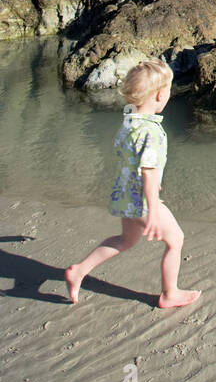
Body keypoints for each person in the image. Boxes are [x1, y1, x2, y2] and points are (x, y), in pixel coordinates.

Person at [64, 59, 201, 310]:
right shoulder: (151, 132)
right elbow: (149, 174)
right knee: (176, 240)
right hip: (143, 200)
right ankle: (169, 293)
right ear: (161, 95)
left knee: (125, 241)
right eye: (169, 90)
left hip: (124, 193)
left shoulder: (129, 122)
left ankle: (79, 271)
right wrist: (152, 211)